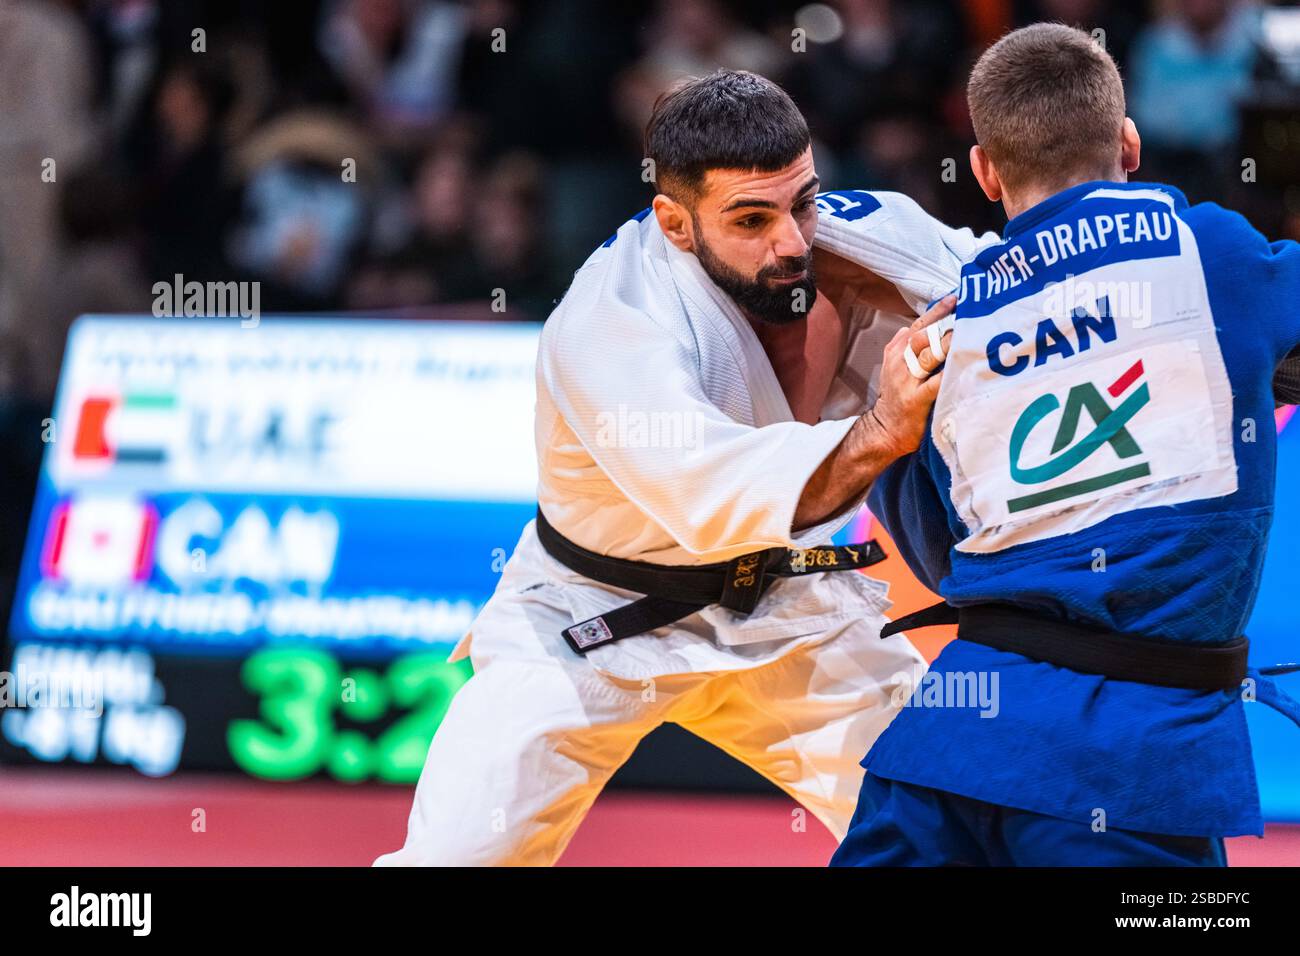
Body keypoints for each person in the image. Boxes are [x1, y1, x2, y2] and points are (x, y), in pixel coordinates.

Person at [375, 69, 990, 865]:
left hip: (792, 605)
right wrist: (883, 430)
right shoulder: (611, 324)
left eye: (802, 201)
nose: (792, 241)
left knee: (959, 838)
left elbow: (1019, 279)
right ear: (673, 220)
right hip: (596, 616)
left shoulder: (867, 235)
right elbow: (711, 500)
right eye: (750, 219)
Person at [831, 23, 1300, 867]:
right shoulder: (1221, 255)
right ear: (1129, 143)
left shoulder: (947, 331)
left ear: (982, 170)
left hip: (951, 741)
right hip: (1132, 758)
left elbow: (946, 557)